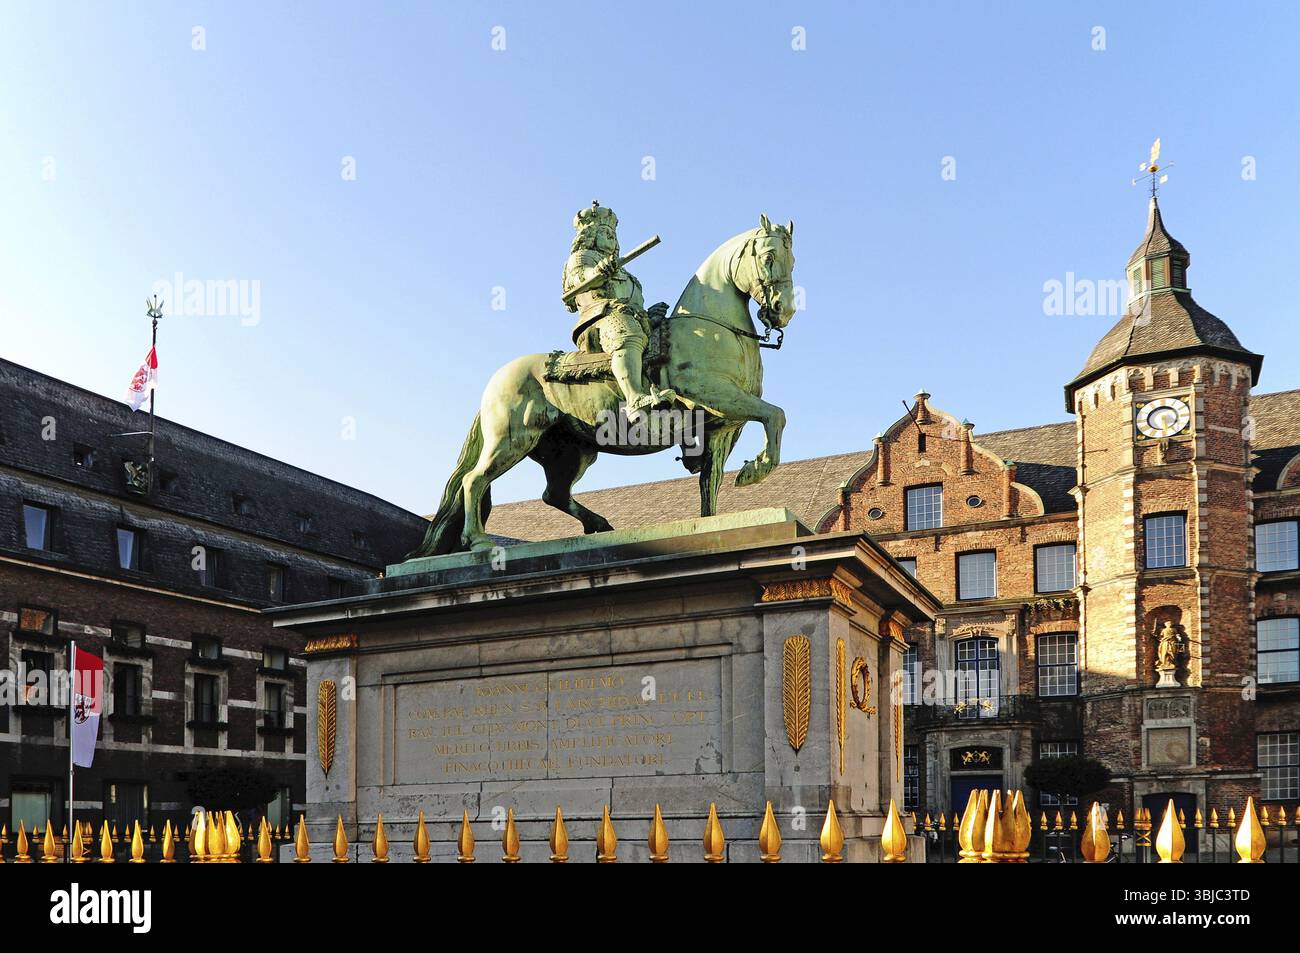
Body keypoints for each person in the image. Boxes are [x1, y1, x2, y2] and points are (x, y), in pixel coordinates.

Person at [563, 201, 676, 419]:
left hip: (627, 317)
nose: (612, 238)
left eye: (613, 234)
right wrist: (596, 272)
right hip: (597, 319)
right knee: (629, 335)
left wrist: (648, 315)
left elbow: (633, 305)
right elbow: (580, 277)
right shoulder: (582, 257)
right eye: (605, 233)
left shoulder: (624, 272)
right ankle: (634, 399)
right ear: (590, 235)